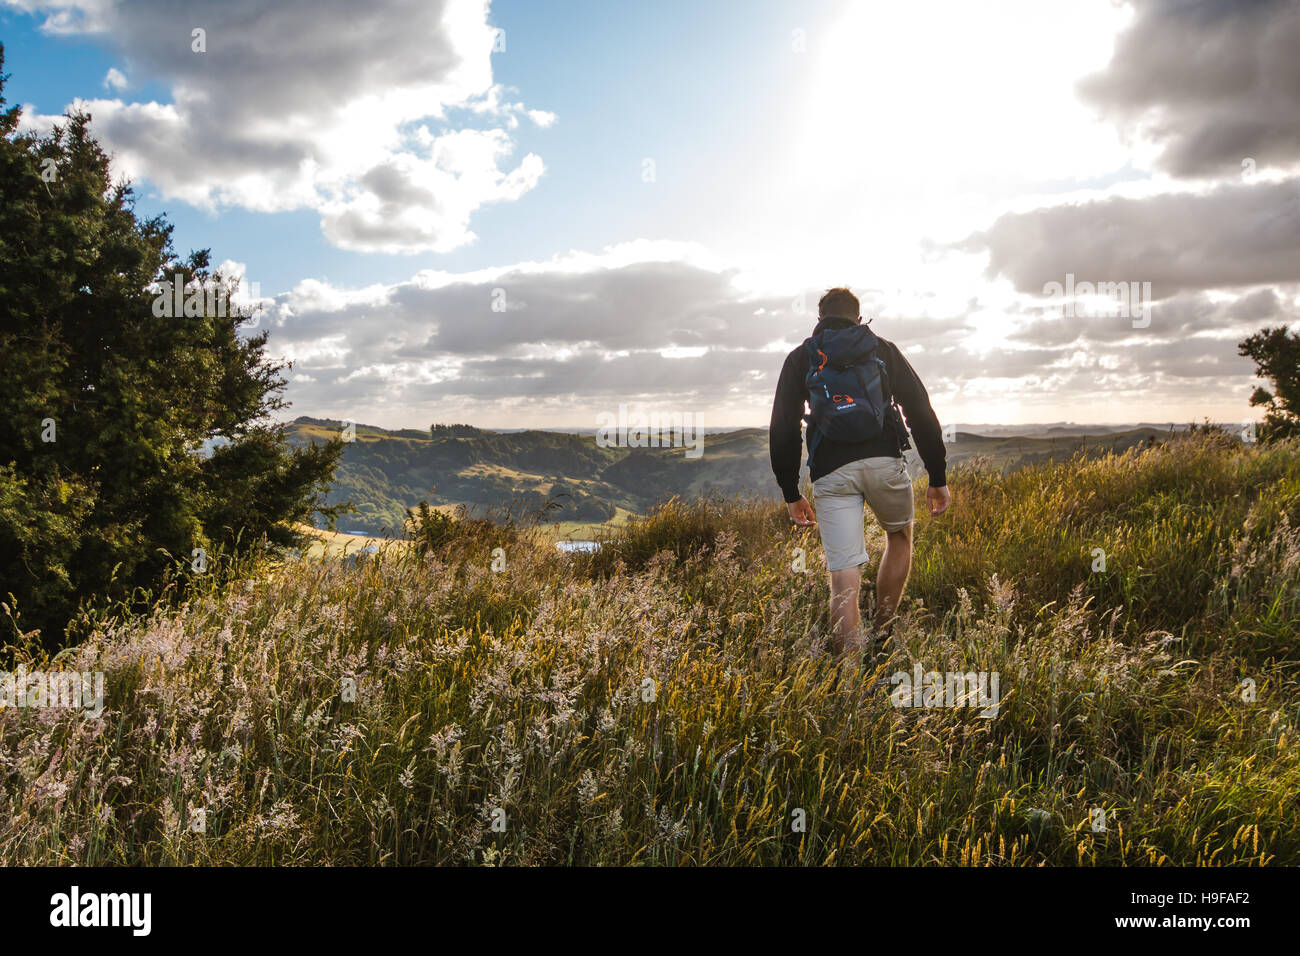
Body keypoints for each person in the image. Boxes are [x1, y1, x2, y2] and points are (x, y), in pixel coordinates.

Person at [769, 287, 951, 660]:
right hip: (885, 462)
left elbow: (783, 428)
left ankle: (850, 689)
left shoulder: (801, 358)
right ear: (858, 316)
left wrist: (790, 491)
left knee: (843, 575)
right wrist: (937, 475)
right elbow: (919, 409)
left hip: (830, 473)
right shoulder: (882, 349)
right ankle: (882, 633)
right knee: (899, 537)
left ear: (819, 320)